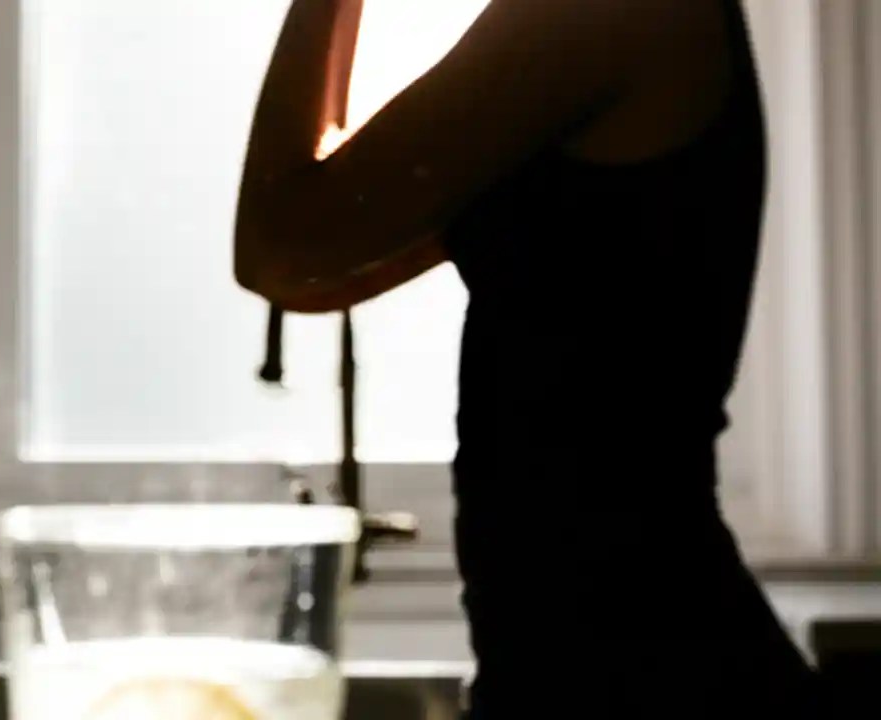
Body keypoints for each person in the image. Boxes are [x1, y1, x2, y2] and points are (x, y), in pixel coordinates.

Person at [233, 0, 826, 717]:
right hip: (613, 659)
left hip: (633, 669)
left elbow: (281, 242)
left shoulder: (590, 16)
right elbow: (309, 268)